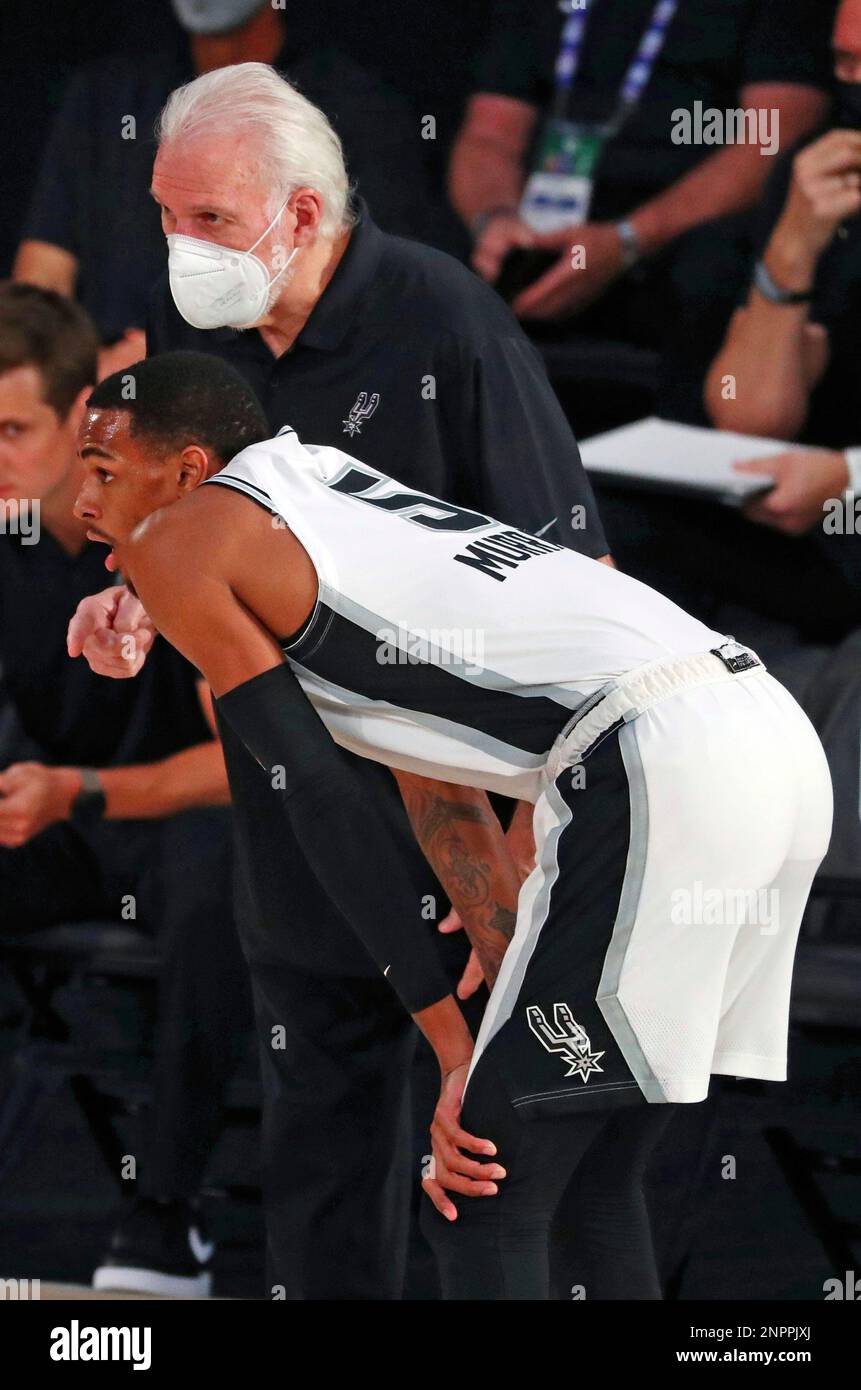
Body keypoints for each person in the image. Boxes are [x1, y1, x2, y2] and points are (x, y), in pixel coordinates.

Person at [71, 349, 833, 1300]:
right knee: (584, 1181)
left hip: (656, 760)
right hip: (765, 738)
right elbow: (445, 792)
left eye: (102, 473)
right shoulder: (316, 482)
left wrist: (451, 1044)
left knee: (477, 1184)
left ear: (188, 471)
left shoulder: (182, 541)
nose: (81, 503)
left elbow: (314, 795)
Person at [67, 60, 611, 1299]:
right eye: (163, 214)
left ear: (301, 213)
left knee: (487, 1176)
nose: (177, 247)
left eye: (206, 218)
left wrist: (531, 864)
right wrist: (129, 602)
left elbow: (583, 575)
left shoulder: (446, 322)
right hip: (294, 817)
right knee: (318, 1174)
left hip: (463, 819)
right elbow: (169, 535)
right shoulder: (196, 344)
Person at [0, 284, 250, 1296]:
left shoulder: (188, 526)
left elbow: (253, 760)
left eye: (12, 430)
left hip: (201, 810)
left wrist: (84, 792)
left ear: (83, 422)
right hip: (70, 812)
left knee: (216, 880)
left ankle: (168, 1209)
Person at [13, 0, 447, 378]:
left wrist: (180, 360)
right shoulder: (106, 97)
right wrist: (87, 374)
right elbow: (41, 283)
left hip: (275, 383)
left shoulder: (359, 109)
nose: (184, 237)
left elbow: (376, 297)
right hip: (115, 383)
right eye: (165, 209)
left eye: (212, 216)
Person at [450, 0, 835, 338]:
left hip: (676, 236)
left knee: (709, 268)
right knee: (424, 257)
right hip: (535, 224)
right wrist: (495, 219)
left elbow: (774, 136)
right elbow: (489, 135)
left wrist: (629, 240)